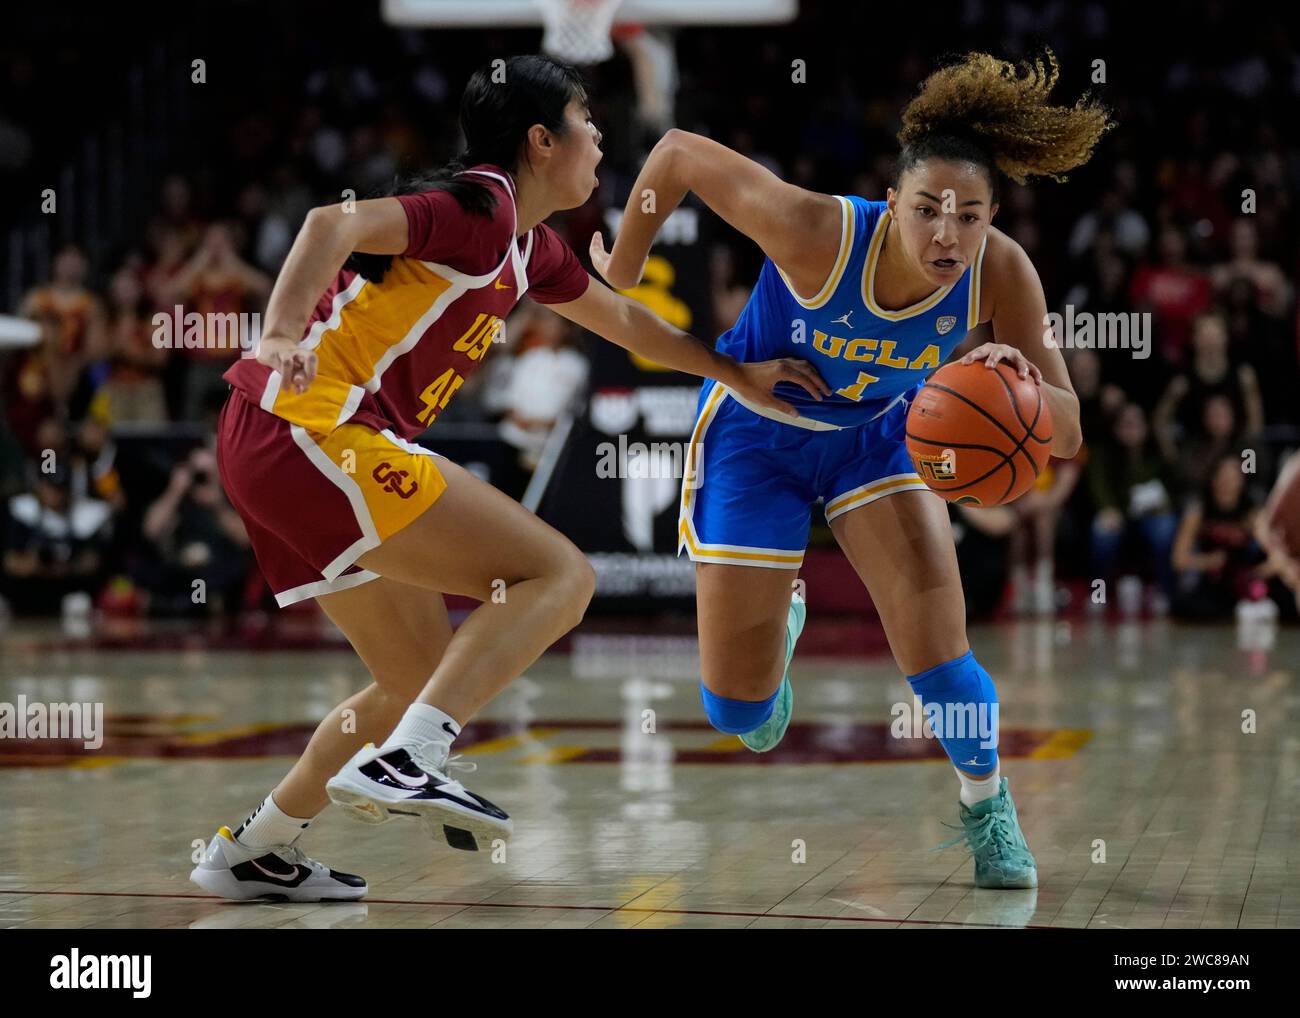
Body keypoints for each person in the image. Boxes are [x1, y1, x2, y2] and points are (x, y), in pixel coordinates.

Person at [190, 54, 821, 902]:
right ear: (540, 141)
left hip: (275, 445)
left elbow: (626, 318)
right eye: (585, 119)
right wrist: (275, 335)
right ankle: (413, 761)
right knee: (560, 574)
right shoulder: (478, 210)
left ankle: (256, 847)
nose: (599, 135)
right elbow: (327, 222)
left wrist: (733, 373)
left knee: (416, 677)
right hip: (308, 427)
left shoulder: (527, 247)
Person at [595, 50, 1104, 889]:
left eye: (969, 215)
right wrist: (620, 271)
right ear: (893, 200)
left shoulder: (1001, 272)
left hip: (878, 436)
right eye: (928, 209)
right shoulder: (818, 232)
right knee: (737, 711)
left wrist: (1026, 396)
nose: (948, 232)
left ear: (992, 217)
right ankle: (777, 636)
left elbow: (1072, 432)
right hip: (758, 434)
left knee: (941, 647)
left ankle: (989, 810)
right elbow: (678, 152)